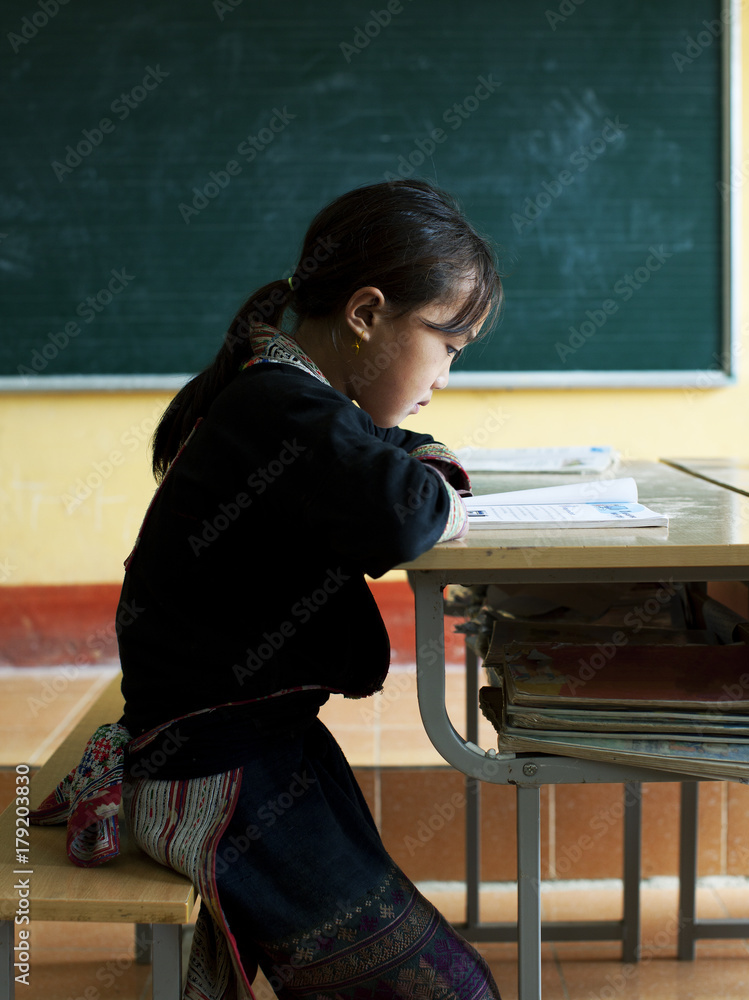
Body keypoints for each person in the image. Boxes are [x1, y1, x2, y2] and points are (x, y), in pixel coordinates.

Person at [52, 179, 504, 999]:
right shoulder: (278, 404)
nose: (445, 375)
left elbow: (394, 452)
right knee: (455, 994)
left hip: (256, 747)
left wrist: (423, 467)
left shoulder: (288, 390)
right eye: (446, 346)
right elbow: (400, 515)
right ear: (366, 314)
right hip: (212, 777)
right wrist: (434, 486)